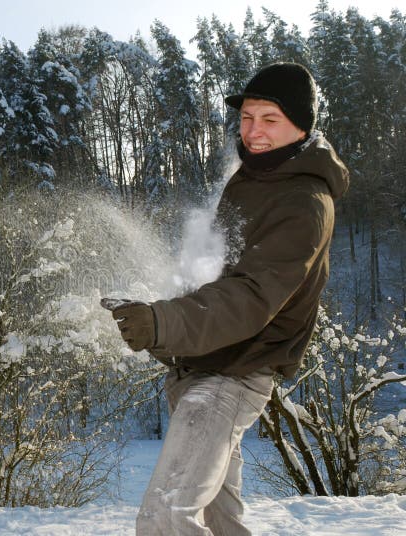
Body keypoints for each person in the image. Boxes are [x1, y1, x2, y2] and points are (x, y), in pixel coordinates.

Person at [105, 62, 349, 535]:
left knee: (165, 517)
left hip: (235, 373)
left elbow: (252, 294)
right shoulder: (257, 177)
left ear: (302, 125)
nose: (253, 132)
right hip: (204, 364)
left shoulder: (303, 202)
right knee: (221, 517)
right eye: (246, 118)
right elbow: (219, 270)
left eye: (269, 120)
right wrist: (159, 314)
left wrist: (164, 322)